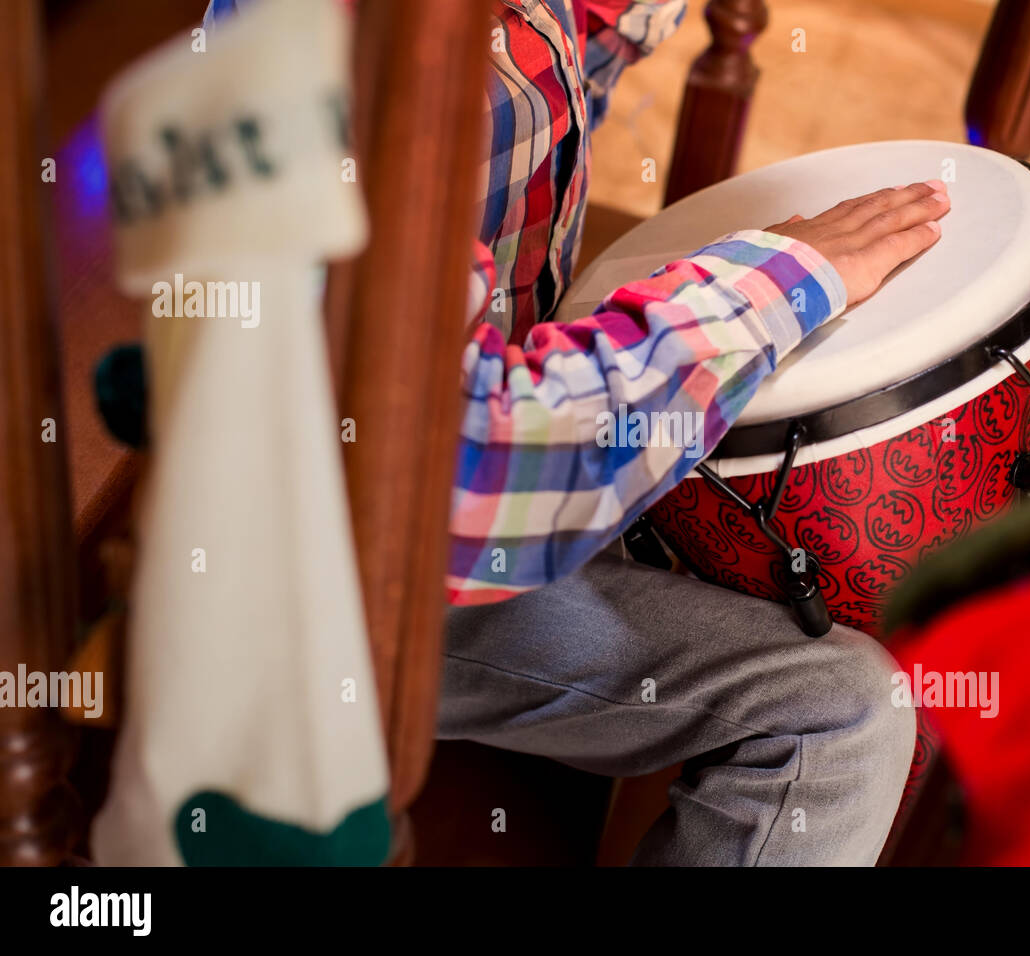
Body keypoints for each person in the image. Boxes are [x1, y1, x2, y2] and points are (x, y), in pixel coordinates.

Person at [211, 0, 950, 865]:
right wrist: (782, 281)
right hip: (331, 572)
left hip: (396, 476)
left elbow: (565, 58)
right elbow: (473, 484)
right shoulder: (354, 74)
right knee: (846, 713)